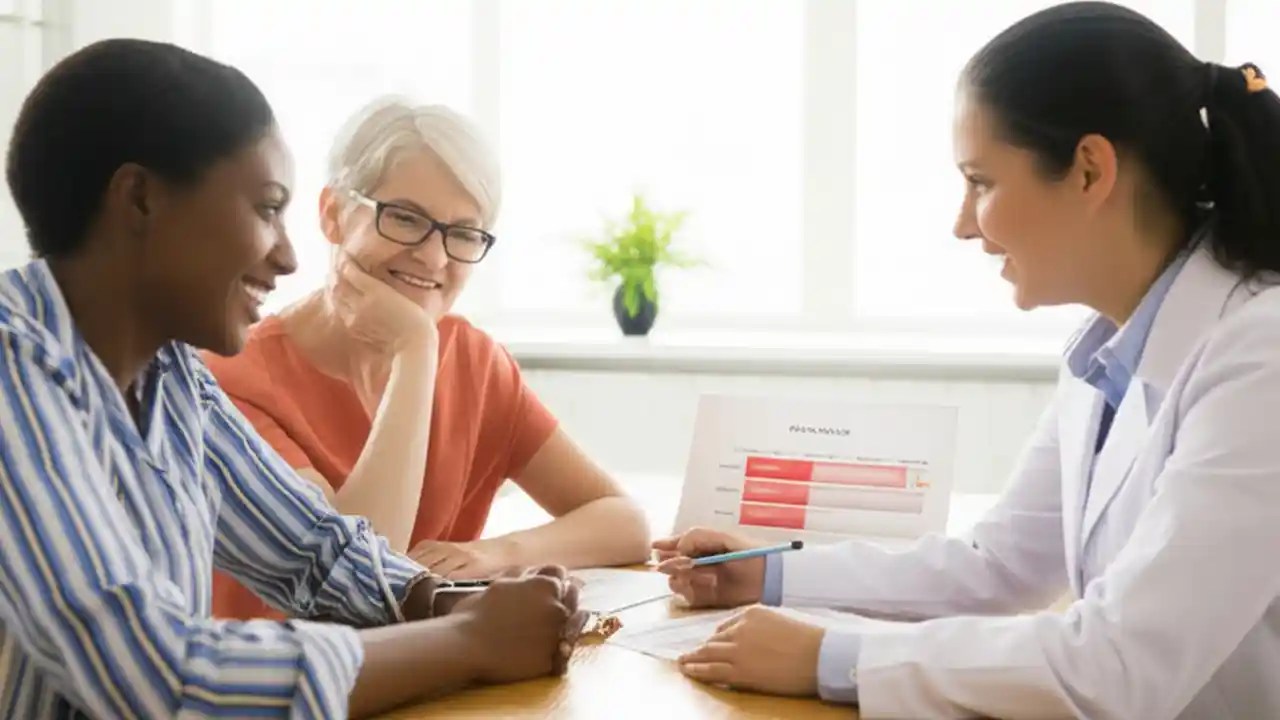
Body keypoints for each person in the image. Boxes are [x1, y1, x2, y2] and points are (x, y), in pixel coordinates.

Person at [655, 3, 1280, 718]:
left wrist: (829, 659)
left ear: (1088, 170)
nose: (962, 223)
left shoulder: (1261, 355)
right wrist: (767, 574)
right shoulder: (1107, 352)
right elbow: (1000, 566)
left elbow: (1118, 665)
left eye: (980, 182)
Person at [0, 39, 585, 719]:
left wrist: (453, 599)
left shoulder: (172, 375)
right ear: (140, 200)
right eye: (266, 209)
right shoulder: (14, 375)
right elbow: (159, 678)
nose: (288, 255)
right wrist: (469, 640)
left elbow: (315, 550)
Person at [203, 97, 649, 619]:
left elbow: (624, 522)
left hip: (430, 681)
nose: (434, 258)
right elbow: (351, 585)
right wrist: (414, 353)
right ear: (333, 215)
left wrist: (496, 554)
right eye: (406, 218)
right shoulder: (233, 379)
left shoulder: (474, 363)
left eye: (462, 233)